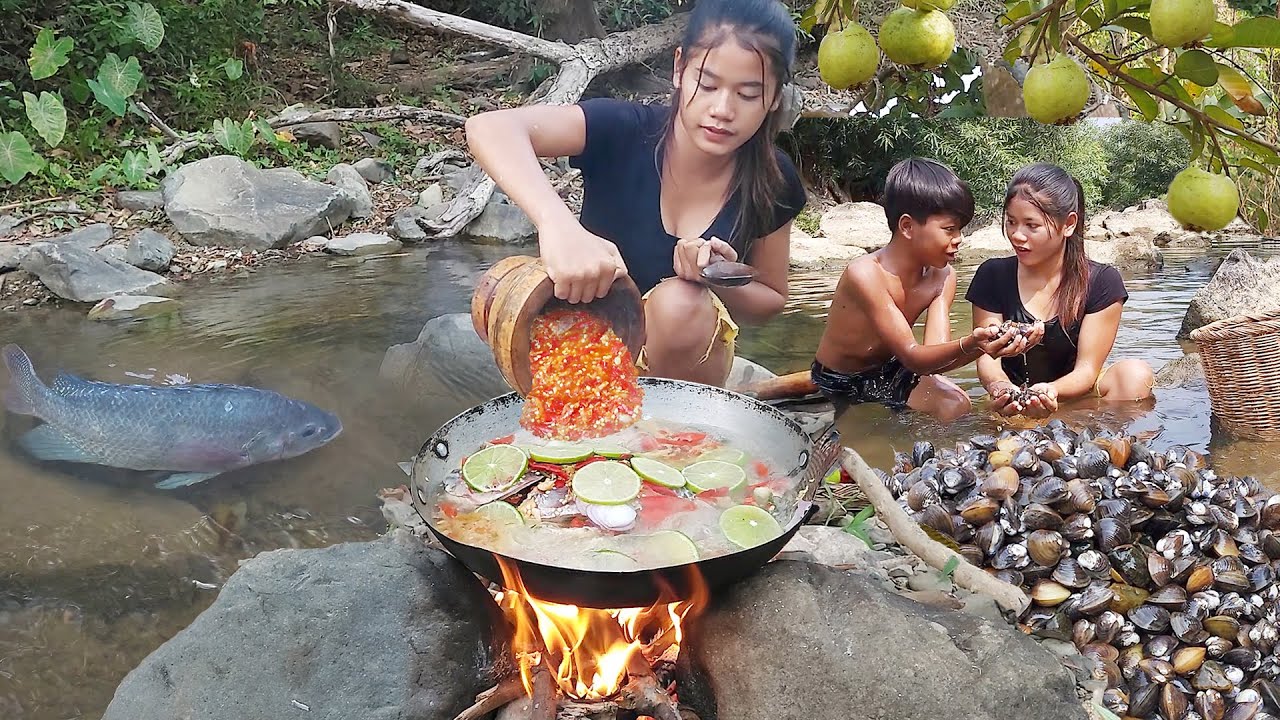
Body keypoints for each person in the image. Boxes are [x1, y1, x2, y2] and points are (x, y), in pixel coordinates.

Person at [464, 0, 806, 387]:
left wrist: (712, 277)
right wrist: (557, 226)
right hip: (588, 344)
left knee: (681, 302)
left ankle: (666, 440)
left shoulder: (774, 178)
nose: (722, 109)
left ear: (776, 97)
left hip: (684, 362)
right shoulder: (623, 130)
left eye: (747, 94)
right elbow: (489, 128)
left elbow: (772, 299)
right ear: (680, 68)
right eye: (707, 84)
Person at [810, 157, 1034, 422]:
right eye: (949, 229)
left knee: (956, 404)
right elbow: (915, 358)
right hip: (839, 380)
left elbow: (934, 356)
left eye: (960, 229)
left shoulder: (942, 275)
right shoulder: (866, 274)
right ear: (907, 226)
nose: (959, 239)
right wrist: (975, 344)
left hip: (891, 369)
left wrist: (990, 343)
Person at [966, 162, 1155, 419]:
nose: (1017, 235)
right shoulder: (992, 275)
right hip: (1011, 399)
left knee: (1136, 376)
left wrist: (1049, 392)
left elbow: (1087, 371)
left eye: (1031, 226)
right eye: (1011, 222)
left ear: (1068, 224)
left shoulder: (1102, 281)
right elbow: (988, 357)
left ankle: (1077, 428)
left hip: (1076, 394)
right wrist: (1000, 387)